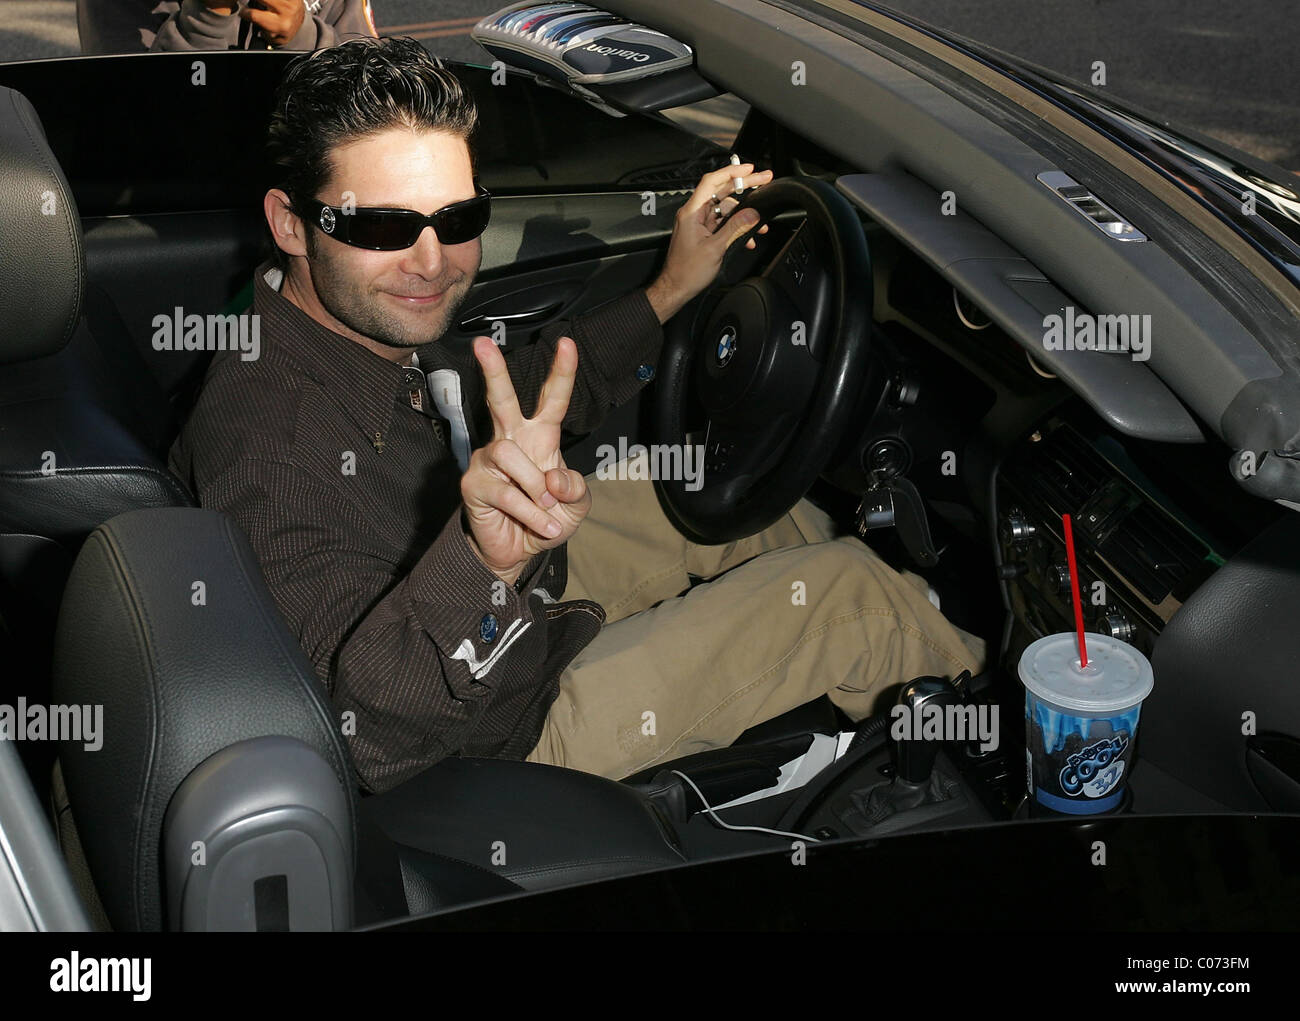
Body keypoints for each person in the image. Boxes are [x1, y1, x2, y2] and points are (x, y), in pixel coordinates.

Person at [169, 37, 985, 795]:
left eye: (457, 221)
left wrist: (670, 288)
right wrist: (485, 563)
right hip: (487, 740)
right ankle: (1009, 743)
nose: (431, 263)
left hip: (503, 593)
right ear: (290, 223)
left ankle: (934, 644)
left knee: (750, 503)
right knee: (855, 602)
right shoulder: (269, 455)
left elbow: (524, 387)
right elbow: (362, 734)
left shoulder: (342, 324)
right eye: (383, 225)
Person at [77, 0, 376, 54]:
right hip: (188, 199)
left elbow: (373, 93)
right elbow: (131, 121)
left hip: (305, 182)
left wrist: (304, 37)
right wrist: (207, 20)